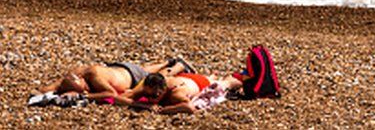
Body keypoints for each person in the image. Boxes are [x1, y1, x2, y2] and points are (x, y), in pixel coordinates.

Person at [34, 58, 195, 102]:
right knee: (144, 68)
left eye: (82, 88)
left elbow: (110, 93)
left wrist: (85, 96)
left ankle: (176, 65)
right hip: (117, 69)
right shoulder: (71, 76)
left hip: (130, 76)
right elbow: (51, 87)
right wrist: (41, 93)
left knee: (150, 74)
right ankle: (169, 61)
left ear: (82, 82)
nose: (84, 89)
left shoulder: (95, 77)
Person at [114, 71, 244, 114]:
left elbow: (189, 107)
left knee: (227, 83)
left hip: (198, 83)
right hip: (185, 77)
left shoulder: (176, 94)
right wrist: (144, 105)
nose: (149, 98)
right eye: (147, 94)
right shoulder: (151, 87)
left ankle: (244, 78)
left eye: (154, 95)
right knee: (211, 78)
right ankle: (212, 75)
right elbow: (117, 99)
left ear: (163, 90)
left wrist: (164, 110)